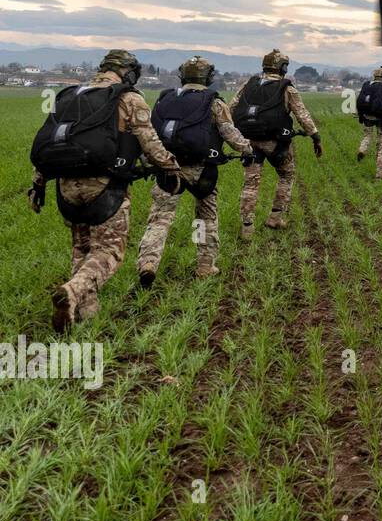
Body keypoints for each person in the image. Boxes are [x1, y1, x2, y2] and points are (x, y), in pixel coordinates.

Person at [27, 49, 185, 331]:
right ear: (128, 71)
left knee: (82, 248)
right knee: (109, 251)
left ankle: (84, 316)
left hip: (66, 187)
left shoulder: (69, 96)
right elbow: (150, 142)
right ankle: (73, 291)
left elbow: (50, 141)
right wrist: (171, 169)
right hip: (104, 186)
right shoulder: (127, 97)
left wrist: (38, 184)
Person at [137, 56, 254, 285]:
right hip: (201, 171)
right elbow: (229, 133)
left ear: (183, 76)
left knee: (160, 219)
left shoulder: (166, 98)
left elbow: (150, 132)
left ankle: (148, 262)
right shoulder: (214, 102)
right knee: (204, 217)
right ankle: (204, 265)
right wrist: (247, 149)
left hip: (167, 167)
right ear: (208, 77)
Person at [231, 49, 321, 238]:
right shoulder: (287, 88)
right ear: (283, 68)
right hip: (276, 144)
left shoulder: (249, 84)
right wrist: (315, 136)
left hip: (248, 142)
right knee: (287, 175)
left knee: (250, 183)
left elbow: (231, 108)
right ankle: (275, 217)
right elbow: (302, 115)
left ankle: (247, 227)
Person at [356, 66, 382, 162]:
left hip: (367, 116)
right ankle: (378, 156)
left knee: (367, 136)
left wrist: (361, 116)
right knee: (380, 137)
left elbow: (359, 101)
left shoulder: (367, 84)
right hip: (380, 117)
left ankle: (362, 150)